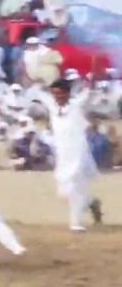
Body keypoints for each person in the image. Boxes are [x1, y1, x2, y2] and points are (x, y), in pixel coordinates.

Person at [38, 79, 103, 232]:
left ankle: (75, 223)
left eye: (61, 93)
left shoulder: (76, 105)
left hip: (79, 153)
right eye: (55, 93)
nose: (58, 96)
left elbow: (87, 93)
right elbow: (41, 93)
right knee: (64, 193)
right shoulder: (52, 106)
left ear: (68, 93)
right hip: (62, 155)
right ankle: (91, 202)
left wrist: (90, 81)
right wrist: (40, 83)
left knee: (75, 187)